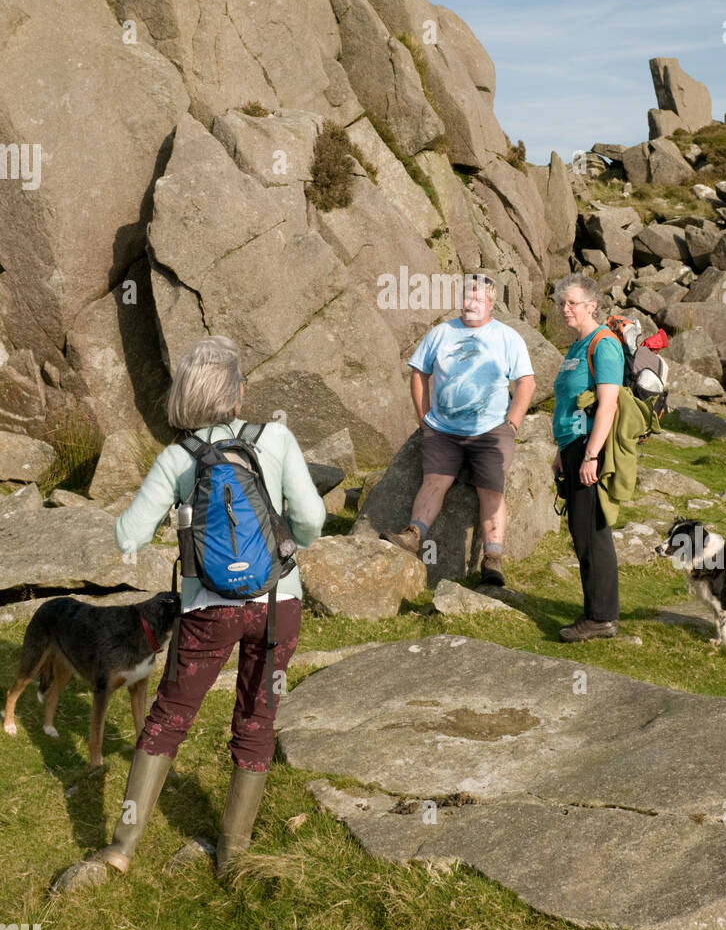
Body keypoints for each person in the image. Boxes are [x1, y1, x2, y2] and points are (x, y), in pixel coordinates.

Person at [60, 335, 325, 886]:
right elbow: (313, 521)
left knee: (168, 720)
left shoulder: (177, 458)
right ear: (234, 391)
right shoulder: (274, 437)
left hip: (208, 611)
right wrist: (283, 545)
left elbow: (127, 534)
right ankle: (233, 857)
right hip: (280, 605)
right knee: (257, 721)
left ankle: (120, 848)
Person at [385, 275, 535, 587]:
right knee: (435, 481)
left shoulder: (508, 338)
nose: (470, 305)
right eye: (467, 298)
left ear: (491, 304)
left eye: (478, 300)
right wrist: (424, 418)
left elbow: (526, 382)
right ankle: (413, 535)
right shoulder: (441, 333)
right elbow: (418, 372)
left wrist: (513, 422)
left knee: (491, 489)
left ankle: (492, 558)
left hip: (491, 431)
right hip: (443, 431)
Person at [551, 273, 624, 641]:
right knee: (582, 530)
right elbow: (568, 402)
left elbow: (608, 404)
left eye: (572, 303)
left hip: (588, 447)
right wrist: (561, 453)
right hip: (572, 447)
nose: (565, 309)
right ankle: (596, 611)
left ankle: (601, 617)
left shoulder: (603, 344)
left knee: (592, 531)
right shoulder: (577, 346)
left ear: (592, 305)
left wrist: (590, 456)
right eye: (561, 303)